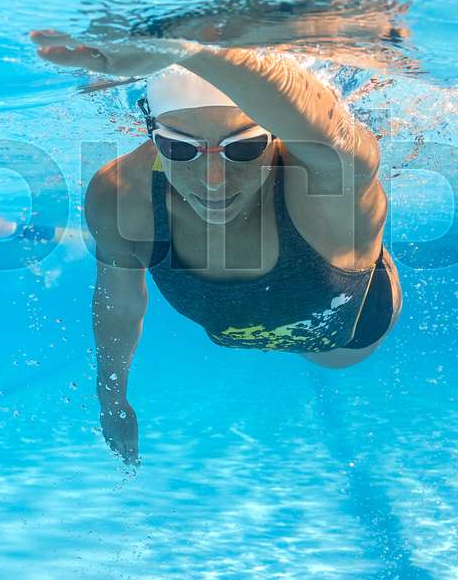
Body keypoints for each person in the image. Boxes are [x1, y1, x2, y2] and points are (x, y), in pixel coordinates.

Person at [31, 30, 402, 464]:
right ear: (152, 136)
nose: (213, 180)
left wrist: (185, 48)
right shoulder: (121, 195)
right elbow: (120, 301)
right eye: (179, 148)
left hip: (346, 339)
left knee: (327, 359)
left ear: (277, 135)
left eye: (243, 148)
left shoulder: (323, 183)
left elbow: (331, 130)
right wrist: (111, 397)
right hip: (263, 317)